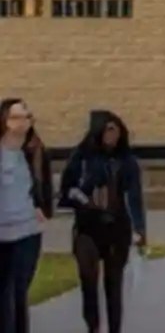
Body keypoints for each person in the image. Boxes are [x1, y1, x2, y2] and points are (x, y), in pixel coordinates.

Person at [59, 110, 146, 333]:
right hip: (88, 226)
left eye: (116, 131)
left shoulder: (127, 161)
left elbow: (134, 196)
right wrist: (83, 191)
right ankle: (93, 326)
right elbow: (66, 189)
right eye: (108, 130)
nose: (112, 136)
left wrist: (139, 228)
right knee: (88, 280)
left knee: (113, 283)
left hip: (116, 227)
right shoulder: (82, 158)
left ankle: (114, 328)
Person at [0, 99, 51, 333]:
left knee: (20, 292)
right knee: (4, 294)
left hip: (27, 232)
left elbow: (44, 183)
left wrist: (43, 208)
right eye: (19, 116)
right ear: (6, 122)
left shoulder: (34, 150)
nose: (26, 121)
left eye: (28, 116)